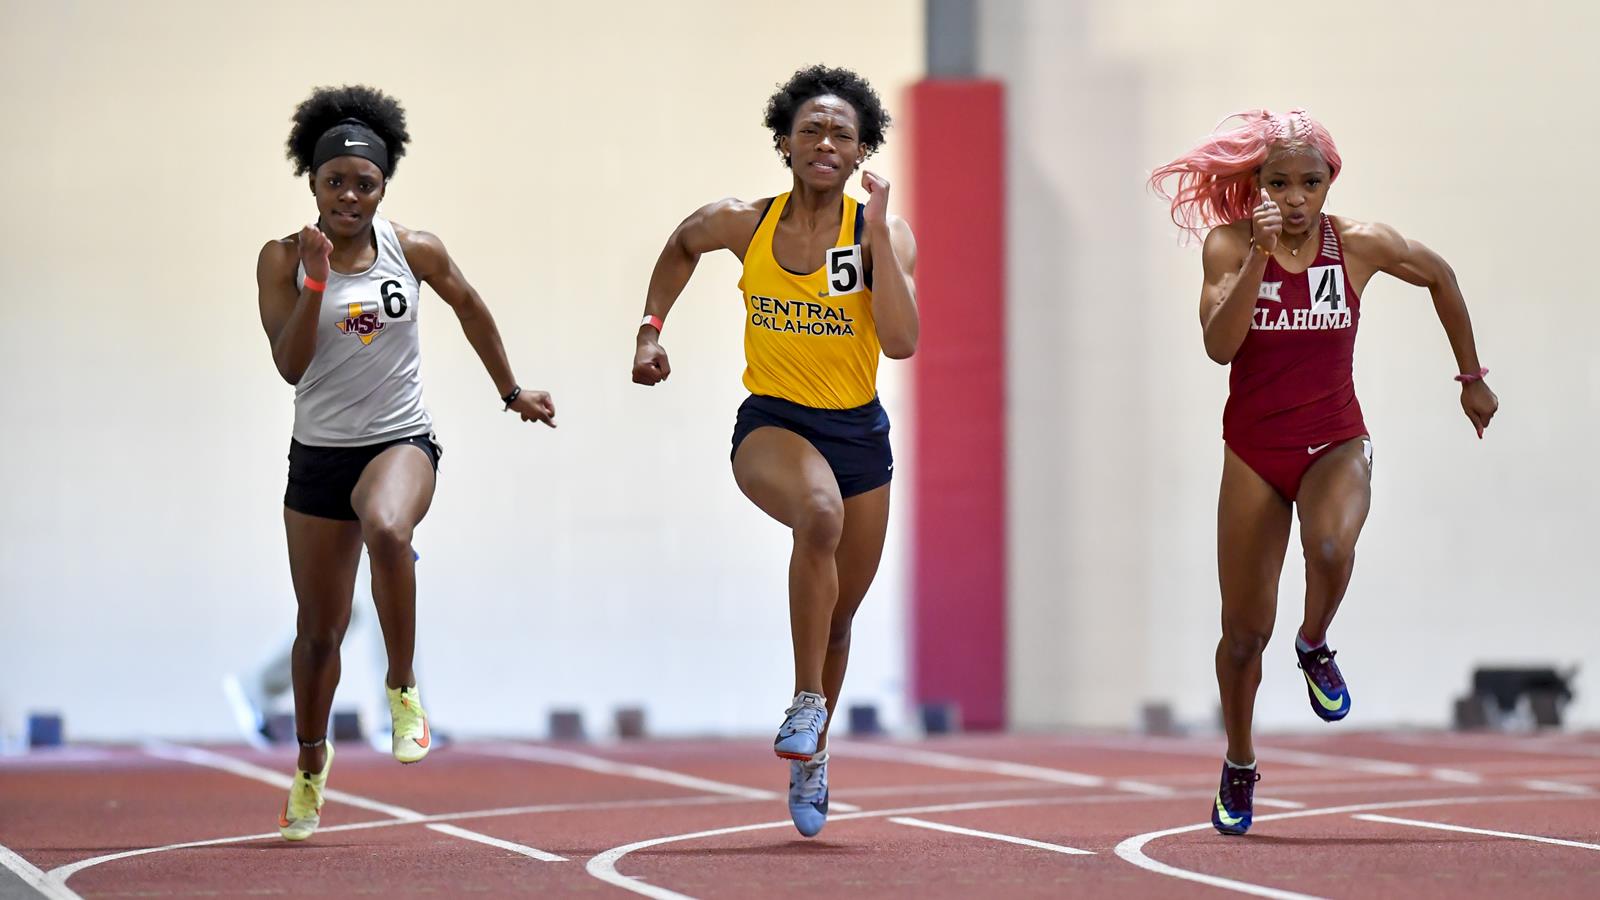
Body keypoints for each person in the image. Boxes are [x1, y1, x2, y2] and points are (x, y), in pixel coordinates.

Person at [1150, 109, 1499, 835]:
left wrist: (1470, 376)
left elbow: (1440, 276)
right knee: (1244, 634)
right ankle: (1240, 762)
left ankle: (1315, 642)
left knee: (1332, 547)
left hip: (1335, 440)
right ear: (1257, 187)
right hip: (1253, 451)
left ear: (1329, 181)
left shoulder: (1360, 245)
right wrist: (1258, 255)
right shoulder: (1227, 245)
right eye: (1280, 183)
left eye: (1312, 182)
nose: (1298, 198)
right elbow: (1220, 346)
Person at [256, 85, 555, 841]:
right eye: (336, 183)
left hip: (399, 440)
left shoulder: (412, 248)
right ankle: (310, 763)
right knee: (317, 633)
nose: (350, 196)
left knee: (389, 528)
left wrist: (512, 389)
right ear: (313, 183)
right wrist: (317, 280)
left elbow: (470, 304)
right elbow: (290, 366)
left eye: (365, 183)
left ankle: (402, 687)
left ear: (383, 185)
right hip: (319, 456)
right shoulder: (282, 259)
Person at [631, 65, 918, 837]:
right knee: (816, 516)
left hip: (859, 434)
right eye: (812, 131)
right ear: (784, 143)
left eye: (843, 136)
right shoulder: (741, 223)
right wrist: (651, 330)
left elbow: (901, 342)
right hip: (773, 424)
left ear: (863, 153)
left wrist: (881, 234)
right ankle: (806, 700)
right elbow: (679, 245)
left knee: (838, 620)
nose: (826, 143)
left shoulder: (877, 234)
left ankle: (813, 755)